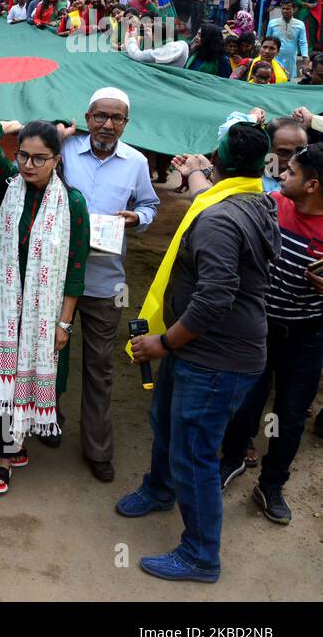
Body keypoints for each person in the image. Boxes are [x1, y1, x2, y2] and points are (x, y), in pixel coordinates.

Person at [118, 123, 279, 583]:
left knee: (194, 453)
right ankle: (159, 489)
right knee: (165, 423)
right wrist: (195, 173)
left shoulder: (219, 220)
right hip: (203, 351)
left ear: (219, 160)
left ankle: (201, 555)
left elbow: (213, 300)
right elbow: (206, 196)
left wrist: (164, 342)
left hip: (213, 359)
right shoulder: (252, 198)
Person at [0, 120, 89, 494]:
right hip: (3, 304)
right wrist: (11, 125)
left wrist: (64, 324)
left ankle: (11, 448)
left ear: (56, 160)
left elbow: (76, 268)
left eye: (40, 158)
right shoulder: (10, 186)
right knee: (5, 378)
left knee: (29, 375)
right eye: (23, 155)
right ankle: (7, 454)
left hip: (45, 313)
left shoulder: (72, 203)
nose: (28, 165)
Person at [216, 142, 323, 524]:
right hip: (257, 330)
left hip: (307, 338)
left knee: (290, 417)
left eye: (290, 172)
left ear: (312, 185)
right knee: (243, 403)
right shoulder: (271, 206)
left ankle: (272, 484)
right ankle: (232, 459)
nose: (280, 175)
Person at [57, 88, 159, 480]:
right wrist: (58, 135)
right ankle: (47, 421)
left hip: (106, 282)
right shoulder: (66, 150)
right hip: (59, 276)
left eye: (116, 118)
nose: (107, 124)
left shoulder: (136, 162)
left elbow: (150, 205)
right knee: (51, 357)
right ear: (87, 117)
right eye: (100, 116)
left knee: (99, 367)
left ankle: (97, 449)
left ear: (126, 124)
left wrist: (138, 218)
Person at [266, 0, 308, 79]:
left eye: (288, 9)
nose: (285, 11)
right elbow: (267, 41)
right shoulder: (272, 23)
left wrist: (305, 60)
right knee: (274, 79)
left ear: (294, 10)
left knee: (289, 80)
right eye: (283, 8)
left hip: (290, 60)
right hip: (275, 58)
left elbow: (303, 43)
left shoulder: (300, 24)